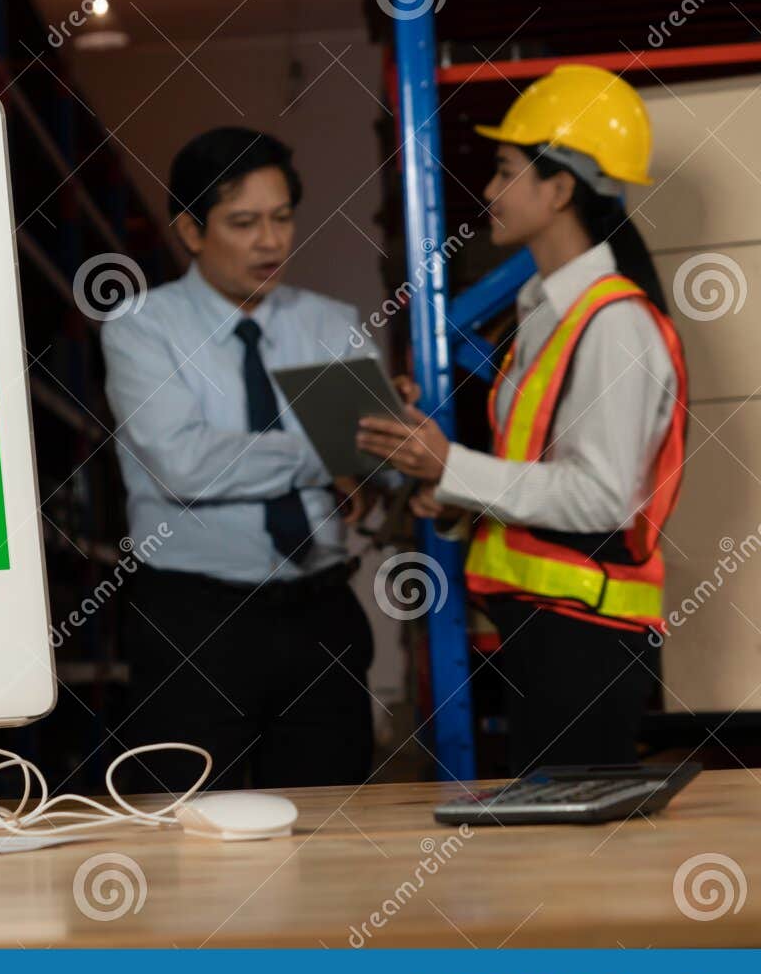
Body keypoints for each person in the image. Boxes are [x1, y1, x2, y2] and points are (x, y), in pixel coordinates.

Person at [356, 64, 687, 775]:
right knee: (548, 834)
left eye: (506, 171)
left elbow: (601, 497)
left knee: (574, 837)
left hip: (588, 637)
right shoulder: (545, 311)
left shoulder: (615, 324)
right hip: (543, 627)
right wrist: (451, 492)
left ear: (560, 189)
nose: (488, 191)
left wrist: (451, 465)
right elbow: (542, 476)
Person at [102, 126, 385, 792]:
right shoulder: (142, 326)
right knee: (192, 827)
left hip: (321, 615)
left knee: (333, 825)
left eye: (282, 218)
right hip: (195, 624)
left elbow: (376, 454)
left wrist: (383, 446)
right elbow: (185, 463)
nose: (270, 241)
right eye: (244, 222)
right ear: (191, 230)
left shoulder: (329, 323)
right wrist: (329, 453)